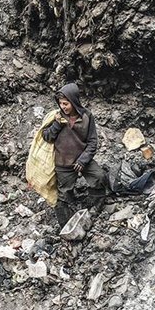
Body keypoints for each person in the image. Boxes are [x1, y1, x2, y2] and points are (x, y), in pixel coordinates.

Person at [42, 83, 108, 229]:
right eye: (60, 103)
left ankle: (95, 207)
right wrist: (57, 125)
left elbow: (92, 141)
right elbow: (46, 137)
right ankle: (67, 224)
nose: (63, 106)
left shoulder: (86, 116)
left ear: (74, 101)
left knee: (99, 176)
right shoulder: (56, 117)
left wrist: (84, 160)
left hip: (83, 158)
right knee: (64, 194)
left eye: (66, 103)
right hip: (63, 162)